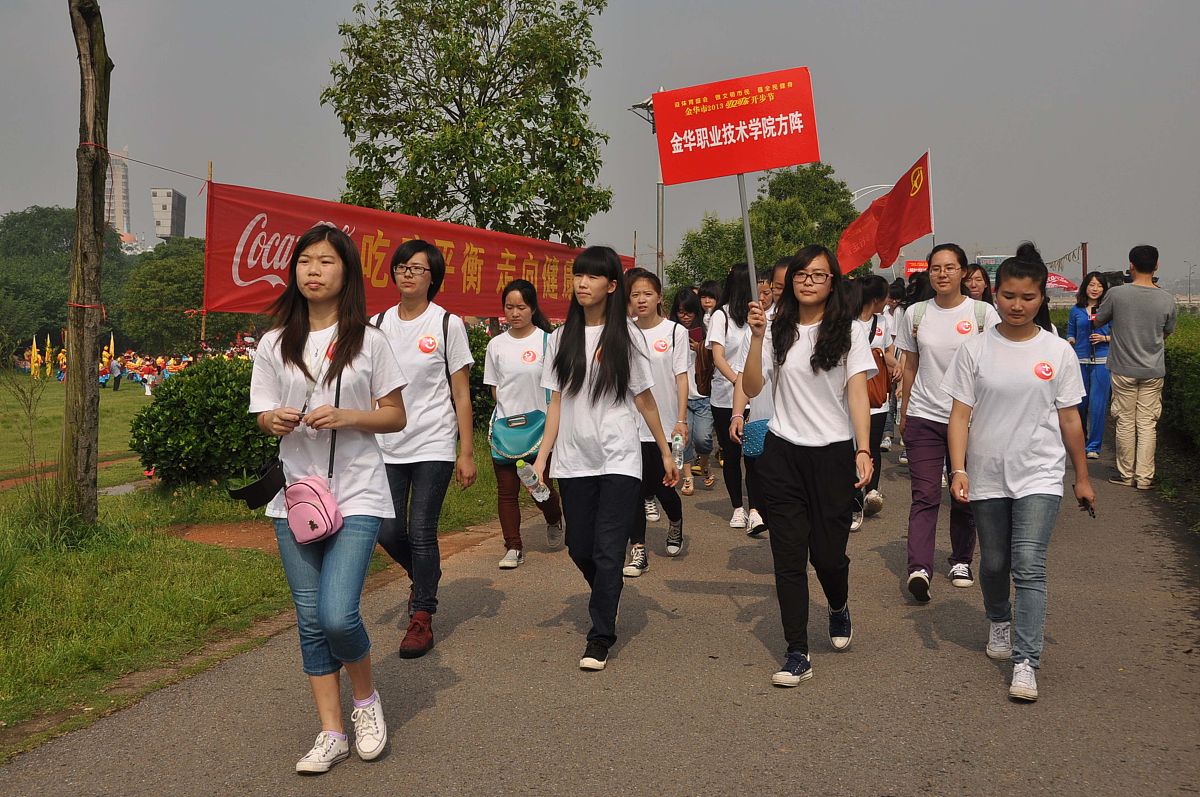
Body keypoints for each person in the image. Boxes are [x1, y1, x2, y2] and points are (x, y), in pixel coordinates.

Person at [249, 224, 408, 773]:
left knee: (338, 615)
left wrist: (348, 416)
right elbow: (262, 414)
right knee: (310, 618)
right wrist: (273, 419)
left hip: (358, 491)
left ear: (347, 274)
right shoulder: (274, 342)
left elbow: (395, 415)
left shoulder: (370, 339)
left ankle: (365, 701)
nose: (313, 271)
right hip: (296, 498)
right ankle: (331, 731)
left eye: (326, 262)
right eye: (304, 262)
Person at [945, 243, 1094, 702]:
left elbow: (1070, 418)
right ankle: (998, 619)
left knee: (1029, 565)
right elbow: (959, 415)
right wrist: (959, 468)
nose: (1016, 305)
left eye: (1027, 297)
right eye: (1008, 295)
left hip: (1039, 475)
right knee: (993, 562)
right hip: (987, 472)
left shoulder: (1058, 352)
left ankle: (1026, 661)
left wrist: (1082, 477)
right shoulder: (975, 349)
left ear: (1041, 297)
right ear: (995, 294)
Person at [530, 246, 678, 671]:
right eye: (578, 275)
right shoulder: (560, 338)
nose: (582, 283)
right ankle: (606, 596)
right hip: (573, 460)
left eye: (593, 277)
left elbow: (645, 399)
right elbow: (555, 403)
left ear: (612, 286)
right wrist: (543, 459)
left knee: (609, 547)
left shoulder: (627, 337)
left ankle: (600, 636)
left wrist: (665, 451)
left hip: (618, 457)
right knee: (580, 547)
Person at [741, 244, 875, 687]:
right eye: (801, 274)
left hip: (833, 453)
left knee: (828, 556)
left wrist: (862, 448)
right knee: (788, 556)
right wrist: (757, 336)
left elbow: (857, 391)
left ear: (832, 282)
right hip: (782, 452)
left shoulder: (849, 332)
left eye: (818, 275)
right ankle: (796, 650)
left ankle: (837, 605)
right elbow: (752, 384)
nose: (809, 281)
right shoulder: (775, 327)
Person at [373, 239, 475, 659]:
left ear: (433, 276)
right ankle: (425, 576)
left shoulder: (447, 324)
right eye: (400, 267)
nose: (407, 273)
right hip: (386, 443)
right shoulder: (376, 323)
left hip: (433, 440)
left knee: (420, 530)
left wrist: (465, 451)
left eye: (416, 267)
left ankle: (422, 616)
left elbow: (462, 395)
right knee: (386, 529)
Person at [894, 244, 1001, 603]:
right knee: (924, 495)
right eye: (935, 268)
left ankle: (961, 559)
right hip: (924, 415)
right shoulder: (915, 314)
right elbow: (909, 365)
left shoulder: (984, 314)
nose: (942, 274)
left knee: (962, 493)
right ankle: (919, 568)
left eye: (950, 267)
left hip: (971, 419)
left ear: (964, 273)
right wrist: (904, 410)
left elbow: (996, 366)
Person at [483, 279, 564, 569]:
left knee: (540, 488)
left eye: (521, 307)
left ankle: (554, 518)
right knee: (506, 491)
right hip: (506, 431)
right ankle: (513, 546)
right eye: (509, 307)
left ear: (532, 308)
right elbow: (494, 386)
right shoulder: (496, 345)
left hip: (541, 429)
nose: (514, 313)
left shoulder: (548, 341)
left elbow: (557, 389)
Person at [1094, 245, 1178, 489]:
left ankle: (1126, 474)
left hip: (1122, 367)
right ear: (1157, 265)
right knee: (1147, 423)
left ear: (1130, 265)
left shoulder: (1117, 294)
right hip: (1153, 369)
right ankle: (1144, 477)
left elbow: (1099, 319)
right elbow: (1167, 332)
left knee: (1125, 421)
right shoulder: (1167, 298)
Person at [623, 268, 689, 575]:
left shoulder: (675, 332)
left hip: (664, 424)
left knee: (664, 489)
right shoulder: (623, 332)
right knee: (634, 490)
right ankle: (638, 549)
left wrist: (680, 420)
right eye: (635, 294)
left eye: (647, 293)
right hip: (631, 425)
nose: (641, 300)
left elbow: (681, 378)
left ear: (659, 297)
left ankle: (675, 522)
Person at [707, 263, 756, 529]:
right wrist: (740, 382)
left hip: (757, 399)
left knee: (755, 455)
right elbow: (717, 356)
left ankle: (757, 507)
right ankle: (738, 507)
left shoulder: (759, 314)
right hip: (726, 398)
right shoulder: (720, 316)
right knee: (732, 453)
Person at [852, 274, 897, 524]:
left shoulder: (885, 320)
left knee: (871, 447)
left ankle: (870, 493)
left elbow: (887, 352)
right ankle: (854, 501)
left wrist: (896, 364)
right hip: (852, 396)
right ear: (876, 298)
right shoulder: (847, 321)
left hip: (877, 394)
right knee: (853, 448)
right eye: (885, 296)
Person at [670, 288, 715, 496]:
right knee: (684, 440)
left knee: (703, 438)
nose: (685, 317)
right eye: (680, 312)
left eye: (689, 312)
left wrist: (701, 348)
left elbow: (717, 358)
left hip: (703, 395)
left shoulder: (706, 330)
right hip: (681, 397)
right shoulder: (670, 333)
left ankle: (704, 465)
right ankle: (688, 477)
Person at [1067, 272, 1113, 459]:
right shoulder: (1076, 310)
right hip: (1080, 361)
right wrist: (1070, 340)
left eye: (1099, 286)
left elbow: (1120, 335)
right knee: (1079, 405)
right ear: (1085, 287)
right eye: (1092, 285)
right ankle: (1080, 441)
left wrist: (1104, 338)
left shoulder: (1108, 310)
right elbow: (1071, 331)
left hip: (1102, 361)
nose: (1095, 289)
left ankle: (1093, 446)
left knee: (1097, 404)